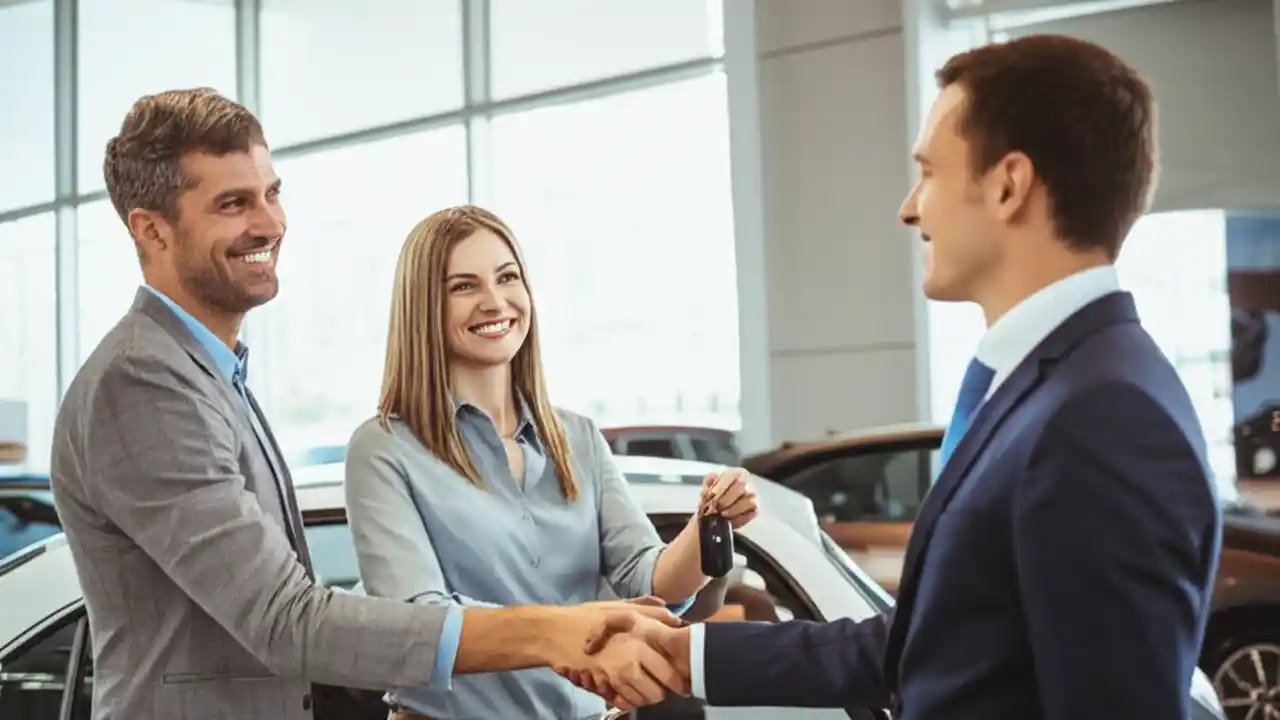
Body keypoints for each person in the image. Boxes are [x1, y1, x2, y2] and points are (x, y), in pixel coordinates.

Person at [570, 34, 1223, 720]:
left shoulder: (1104, 414)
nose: (910, 208)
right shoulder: (1051, 387)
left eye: (929, 173)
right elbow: (931, 645)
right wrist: (686, 655)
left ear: (1008, 185)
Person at [47, 88, 686, 720]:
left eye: (272, 193)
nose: (270, 223)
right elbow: (287, 620)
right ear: (151, 229)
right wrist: (554, 632)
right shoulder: (144, 384)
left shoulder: (209, 374)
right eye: (233, 203)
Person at [343, 204, 760, 720]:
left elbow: (648, 582)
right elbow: (418, 623)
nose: (495, 301)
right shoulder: (384, 449)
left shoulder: (578, 437)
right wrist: (565, 630)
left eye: (507, 277)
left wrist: (707, 523)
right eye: (463, 287)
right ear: (422, 306)